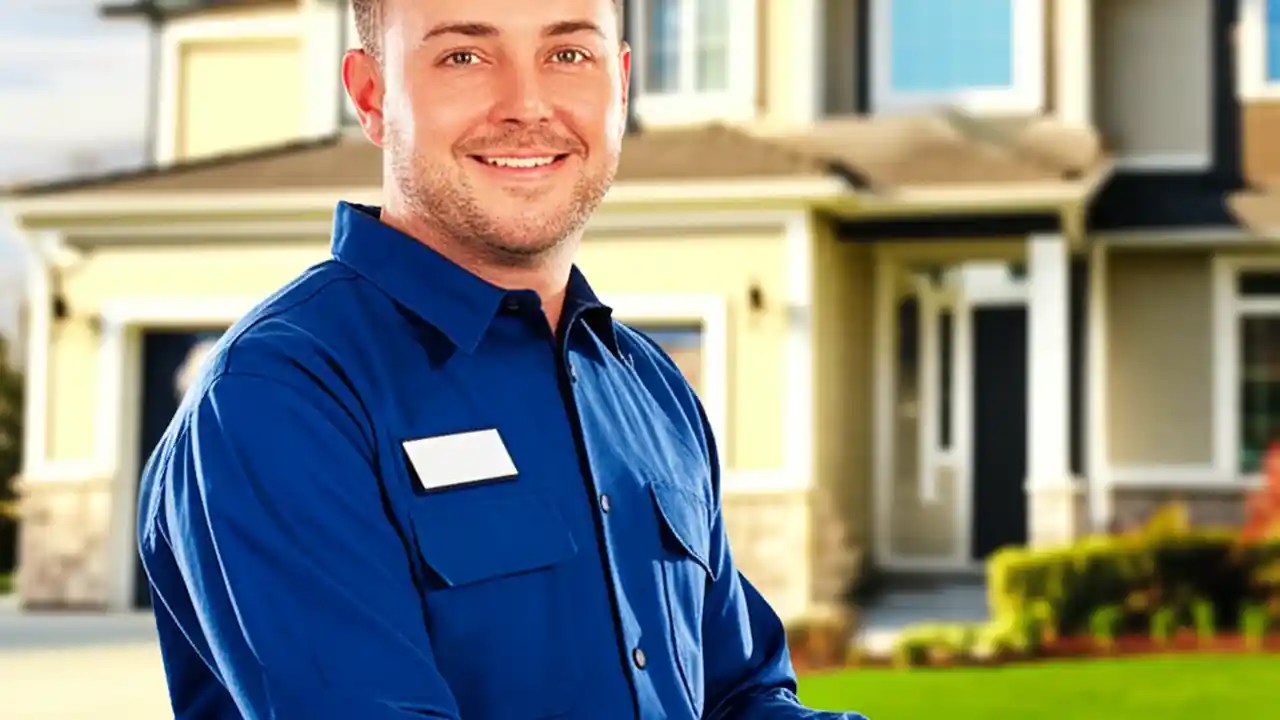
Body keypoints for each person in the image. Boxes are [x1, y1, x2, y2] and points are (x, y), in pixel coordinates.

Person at [135, 0, 869, 718]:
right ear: (371, 94)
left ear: (620, 83)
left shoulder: (650, 388)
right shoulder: (280, 397)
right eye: (465, 55)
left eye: (568, 54)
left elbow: (740, 695)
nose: (527, 105)